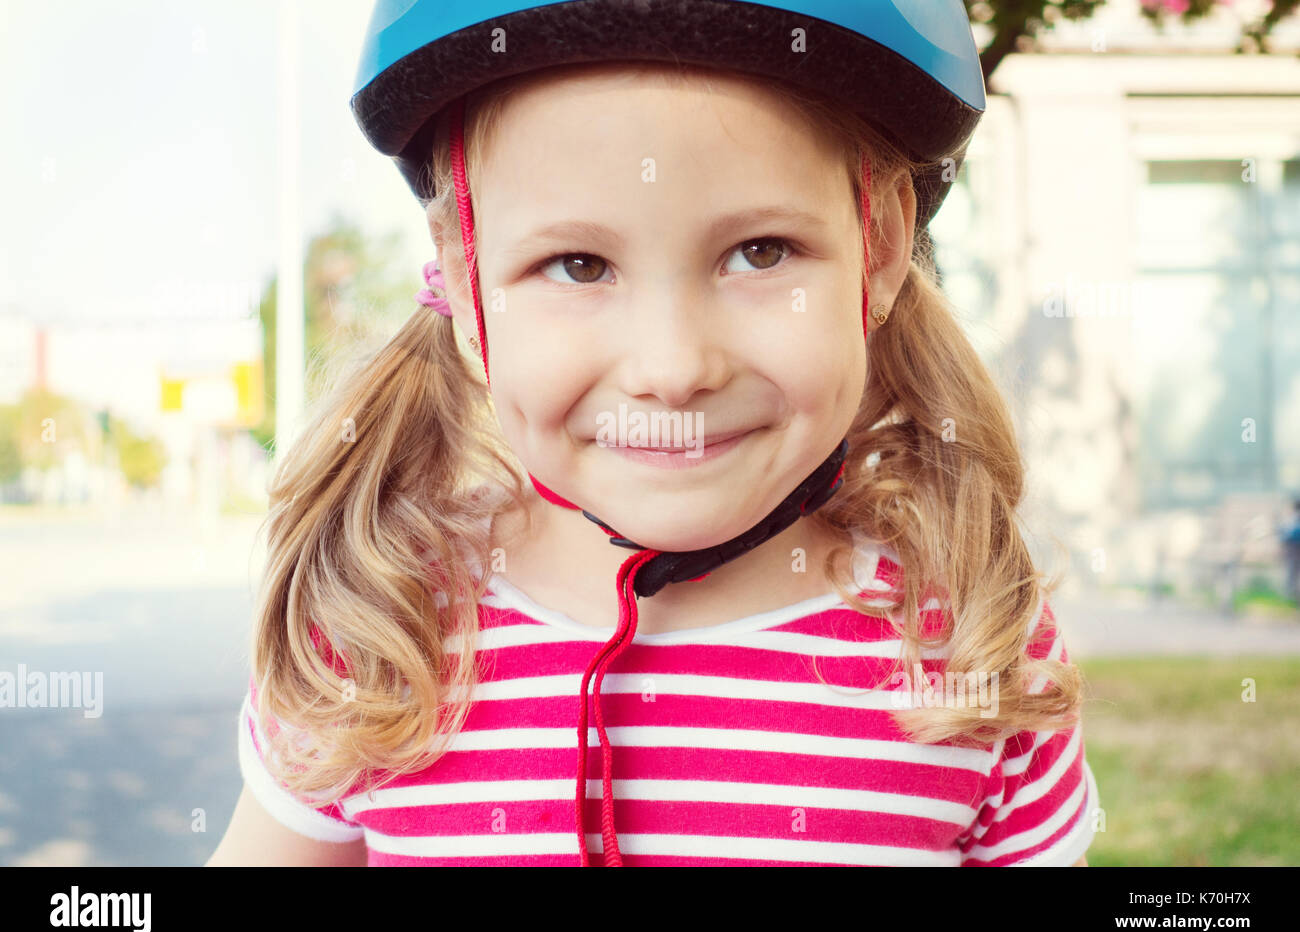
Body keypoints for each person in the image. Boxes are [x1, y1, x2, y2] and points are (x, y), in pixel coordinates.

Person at [208, 0, 1097, 867]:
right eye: (579, 265)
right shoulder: (377, 634)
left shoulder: (979, 646)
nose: (673, 368)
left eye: (760, 252)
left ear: (884, 247)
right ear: (467, 289)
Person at [1282, 498, 1300, 604]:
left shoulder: (1292, 520)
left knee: (1292, 572)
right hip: (1293, 549)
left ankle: (1292, 594)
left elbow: (1286, 535)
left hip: (1293, 549)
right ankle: (1292, 595)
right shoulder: (1292, 520)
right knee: (1292, 572)